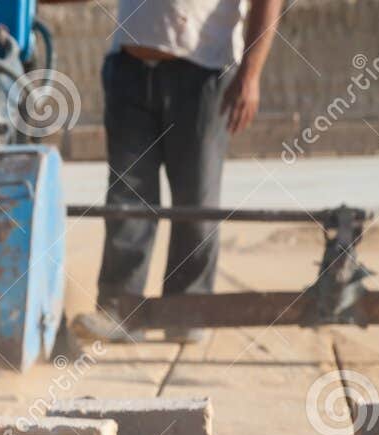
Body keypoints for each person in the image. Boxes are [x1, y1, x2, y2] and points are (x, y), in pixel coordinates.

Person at [48, 0, 281, 342]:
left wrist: (251, 72)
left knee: (195, 201)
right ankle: (120, 311)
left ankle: (185, 312)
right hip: (129, 69)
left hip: (203, 72)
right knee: (128, 197)